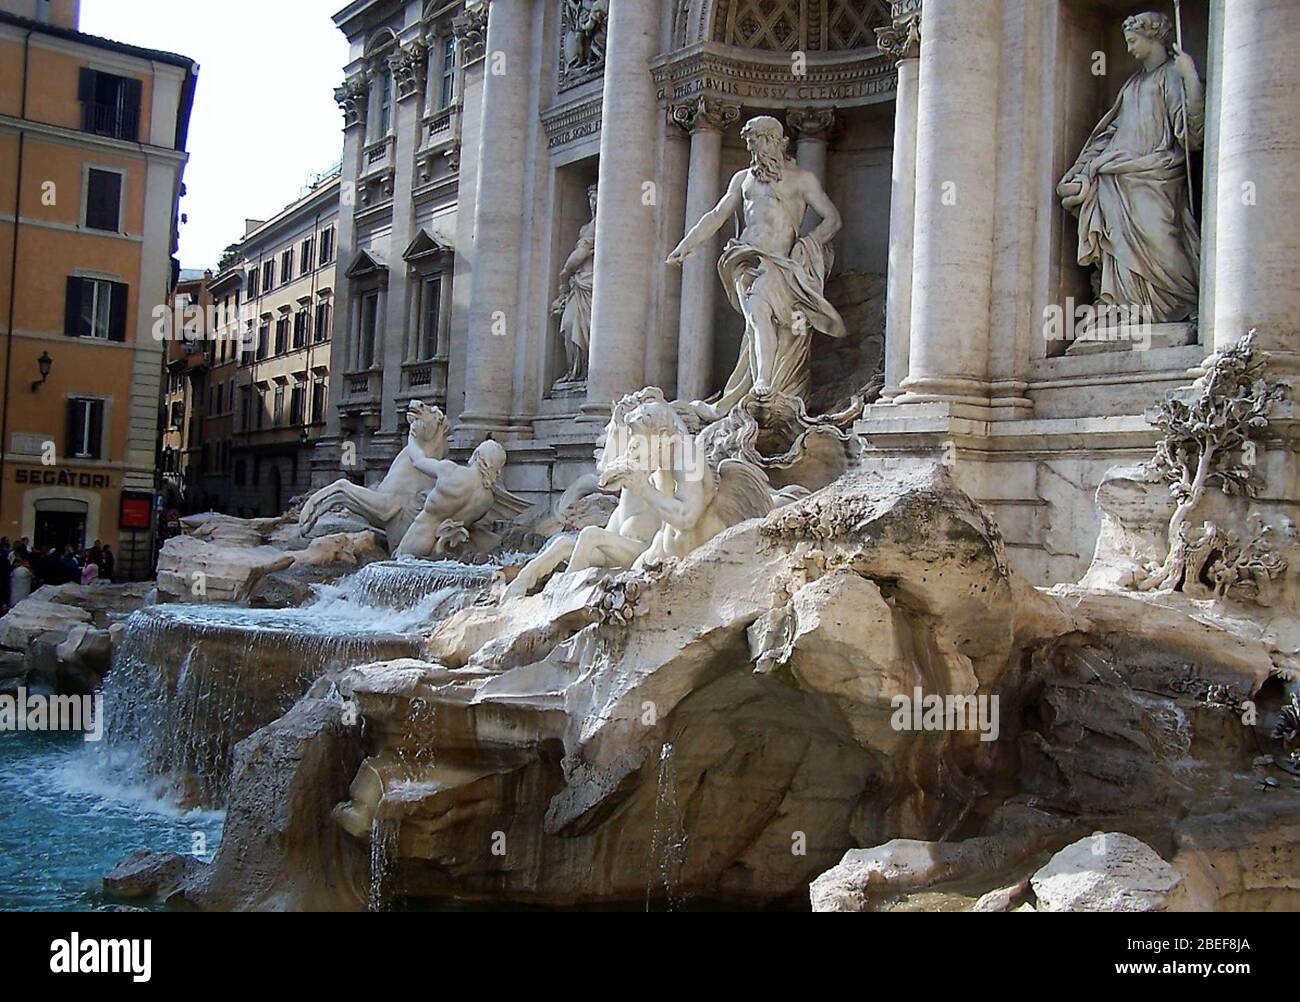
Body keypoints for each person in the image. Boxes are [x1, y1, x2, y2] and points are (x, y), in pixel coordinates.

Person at [667, 115, 845, 414]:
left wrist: (807, 245)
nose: (752, 149)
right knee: (756, 316)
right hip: (744, 257)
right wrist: (688, 244)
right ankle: (761, 381)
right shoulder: (743, 179)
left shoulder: (801, 179)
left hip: (780, 262)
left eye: (756, 141)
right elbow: (717, 215)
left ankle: (757, 385)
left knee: (762, 321)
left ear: (773, 141)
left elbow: (833, 219)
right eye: (749, 143)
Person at [1057, 10, 1203, 332]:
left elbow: (1191, 133)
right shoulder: (1132, 84)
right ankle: (1126, 304)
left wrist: (1191, 77)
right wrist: (1083, 170)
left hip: (1157, 173)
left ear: (1153, 39)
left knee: (1161, 237)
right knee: (1117, 241)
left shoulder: (1171, 76)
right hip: (1115, 175)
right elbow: (1110, 134)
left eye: (1133, 41)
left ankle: (1183, 301)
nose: (1128, 49)